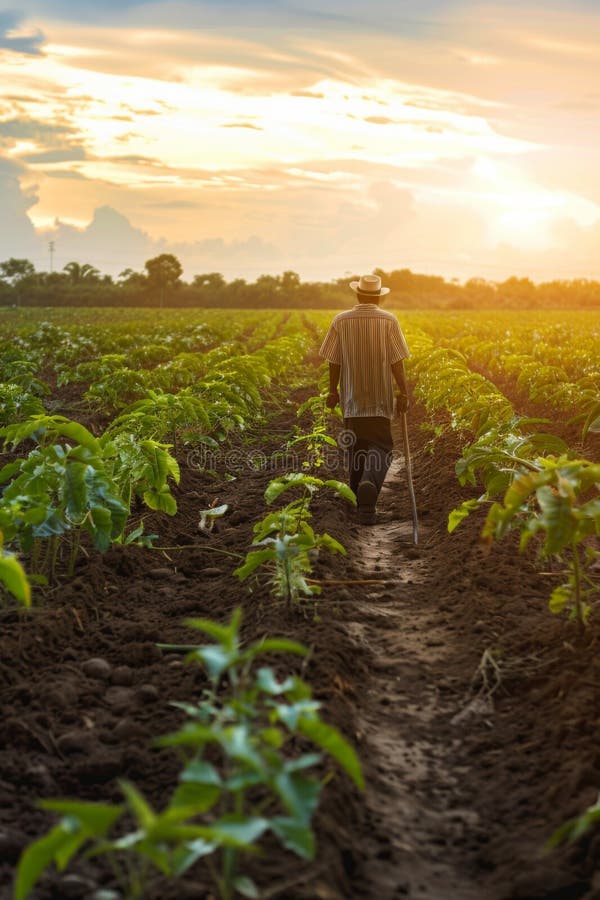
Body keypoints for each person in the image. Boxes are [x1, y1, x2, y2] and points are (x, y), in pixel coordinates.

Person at [319, 273, 410, 524]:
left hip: (352, 399)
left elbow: (333, 361)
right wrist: (404, 391)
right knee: (382, 447)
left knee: (357, 450)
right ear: (379, 297)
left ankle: (362, 508)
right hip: (380, 399)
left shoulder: (341, 321)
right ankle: (370, 486)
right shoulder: (389, 320)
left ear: (358, 294)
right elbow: (396, 361)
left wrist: (333, 391)